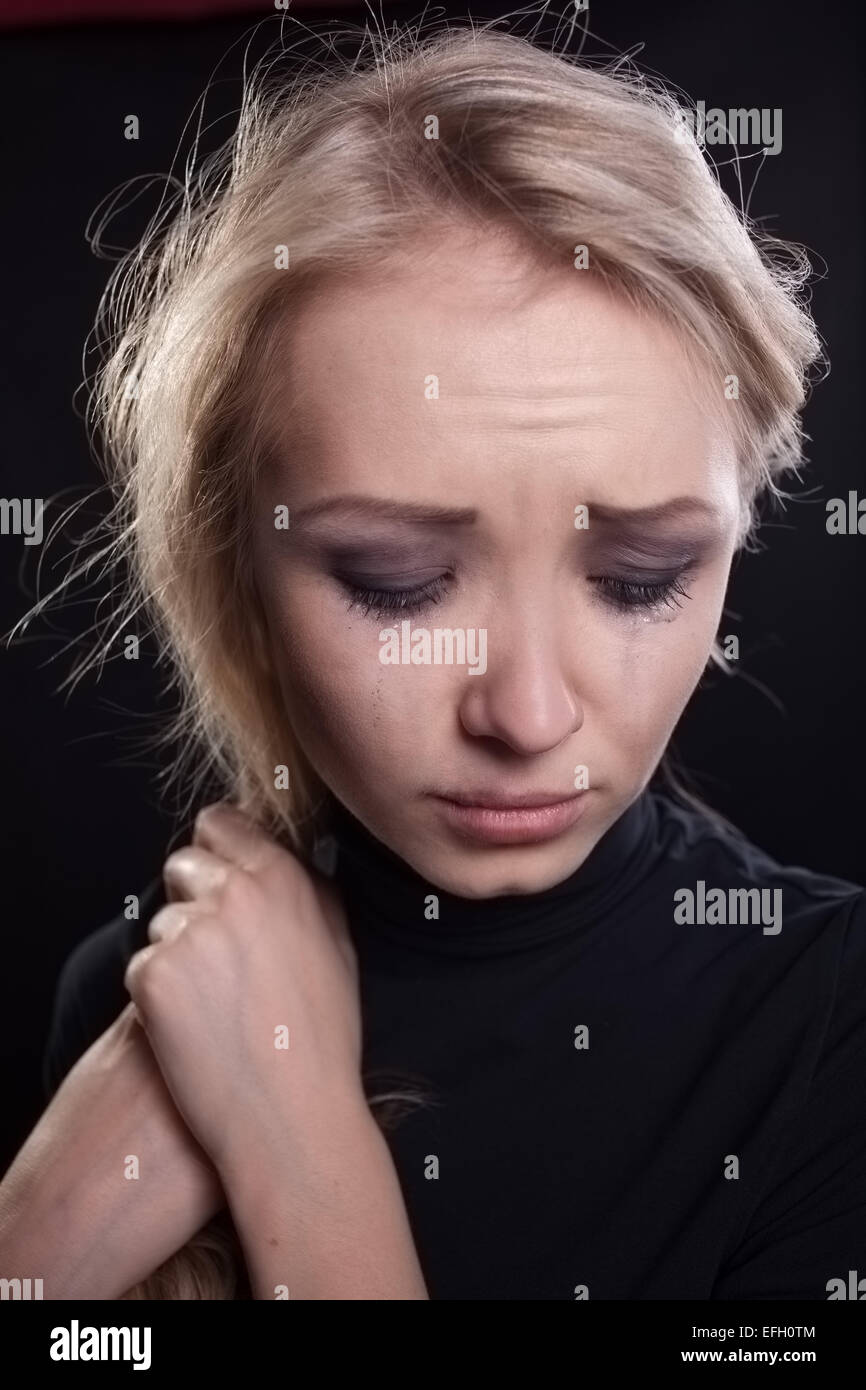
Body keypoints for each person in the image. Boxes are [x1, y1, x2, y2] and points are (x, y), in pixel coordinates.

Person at [2, 19, 864, 1301]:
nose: (525, 712)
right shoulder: (152, 981)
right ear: (228, 548)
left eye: (639, 579)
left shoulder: (828, 1030)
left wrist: (294, 1136)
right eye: (393, 585)